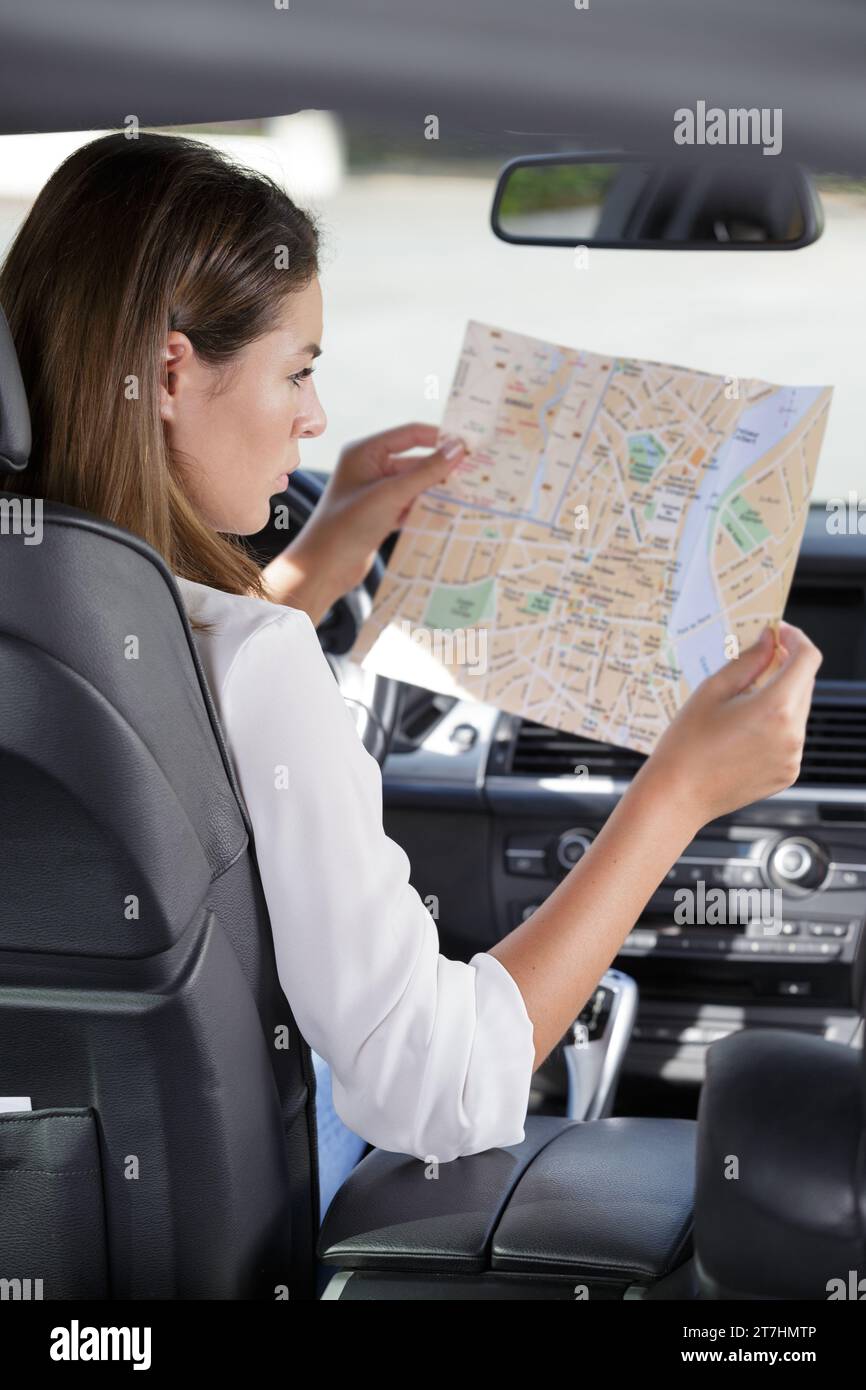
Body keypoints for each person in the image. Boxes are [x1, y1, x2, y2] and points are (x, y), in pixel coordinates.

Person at [0, 132, 822, 1192]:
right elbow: (435, 1085)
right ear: (167, 371)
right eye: (296, 370)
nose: (314, 415)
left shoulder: (83, 617)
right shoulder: (259, 663)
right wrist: (676, 792)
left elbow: (145, 711)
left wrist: (314, 567)